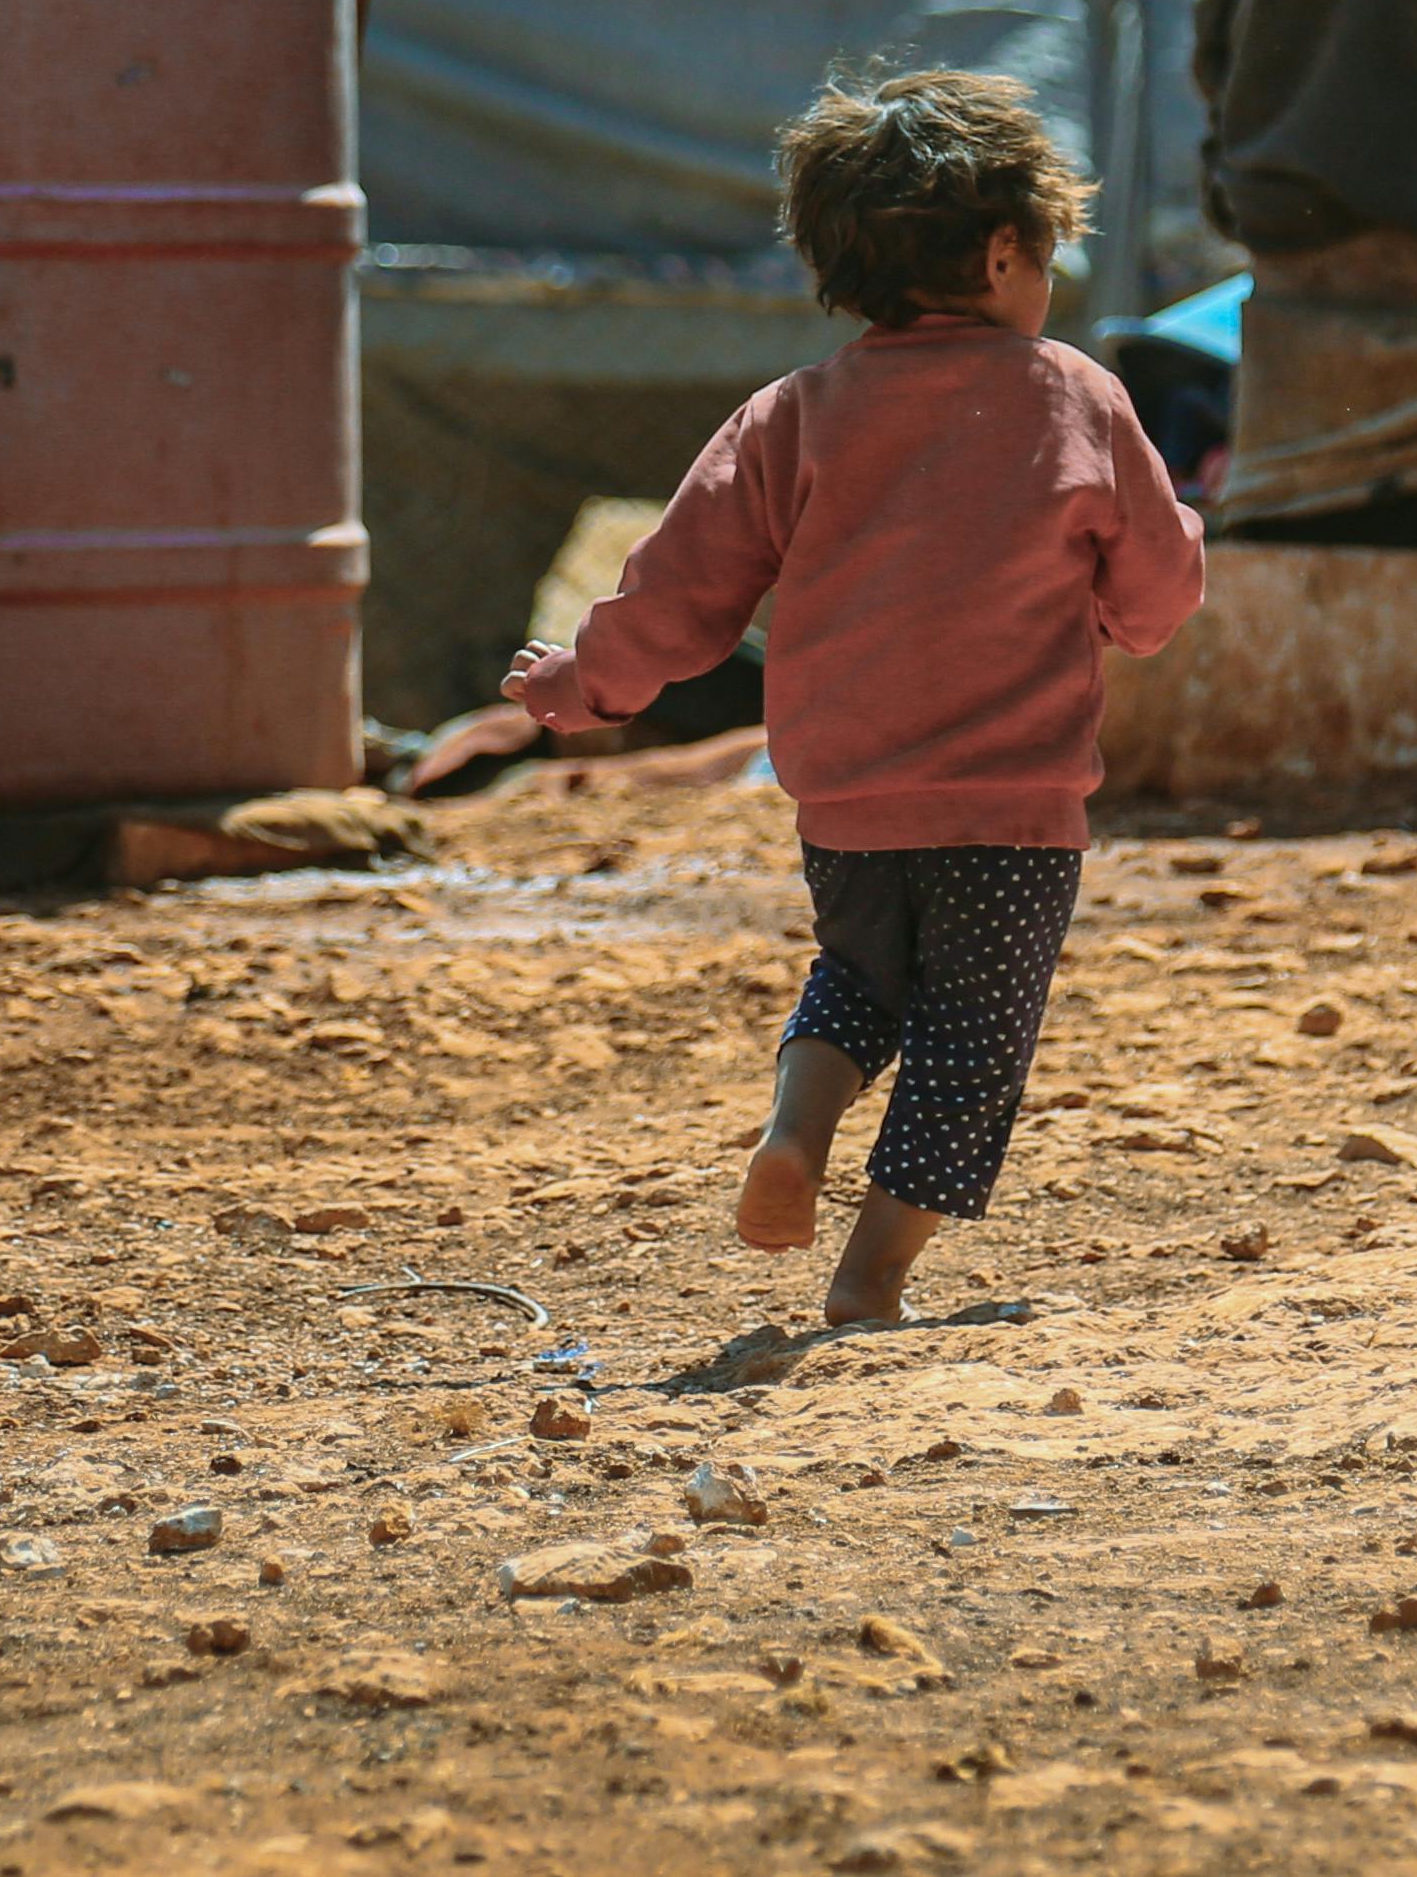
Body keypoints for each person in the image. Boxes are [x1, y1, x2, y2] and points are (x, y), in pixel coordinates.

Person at [506, 71, 1205, 1324]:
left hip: (842, 801)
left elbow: (680, 592)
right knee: (968, 1046)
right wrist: (1139, 595)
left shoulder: (790, 416)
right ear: (1002, 252)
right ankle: (869, 1273)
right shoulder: (1075, 396)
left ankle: (795, 1125)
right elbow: (1154, 592)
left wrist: (582, 683)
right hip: (1008, 811)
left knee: (858, 979)